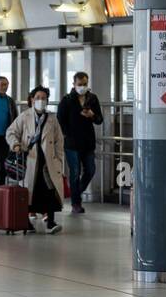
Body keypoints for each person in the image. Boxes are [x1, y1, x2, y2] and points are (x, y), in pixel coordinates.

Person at [6, 86, 66, 234]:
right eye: (38, 97)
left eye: (44, 98)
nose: (41, 100)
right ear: (32, 99)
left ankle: (50, 223)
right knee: (29, 191)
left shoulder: (52, 118)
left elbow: (59, 140)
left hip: (48, 161)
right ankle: (26, 222)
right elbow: (11, 132)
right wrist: (15, 144)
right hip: (30, 160)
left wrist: (59, 159)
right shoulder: (24, 116)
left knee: (50, 190)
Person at [57, 72, 103, 214]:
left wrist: (92, 115)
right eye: (80, 84)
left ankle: (75, 192)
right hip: (72, 143)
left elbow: (99, 119)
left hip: (88, 142)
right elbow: (60, 119)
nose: (83, 87)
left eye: (85, 84)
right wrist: (66, 135)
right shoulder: (67, 100)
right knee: (75, 172)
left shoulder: (92, 99)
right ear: (74, 84)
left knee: (90, 170)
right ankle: (76, 203)